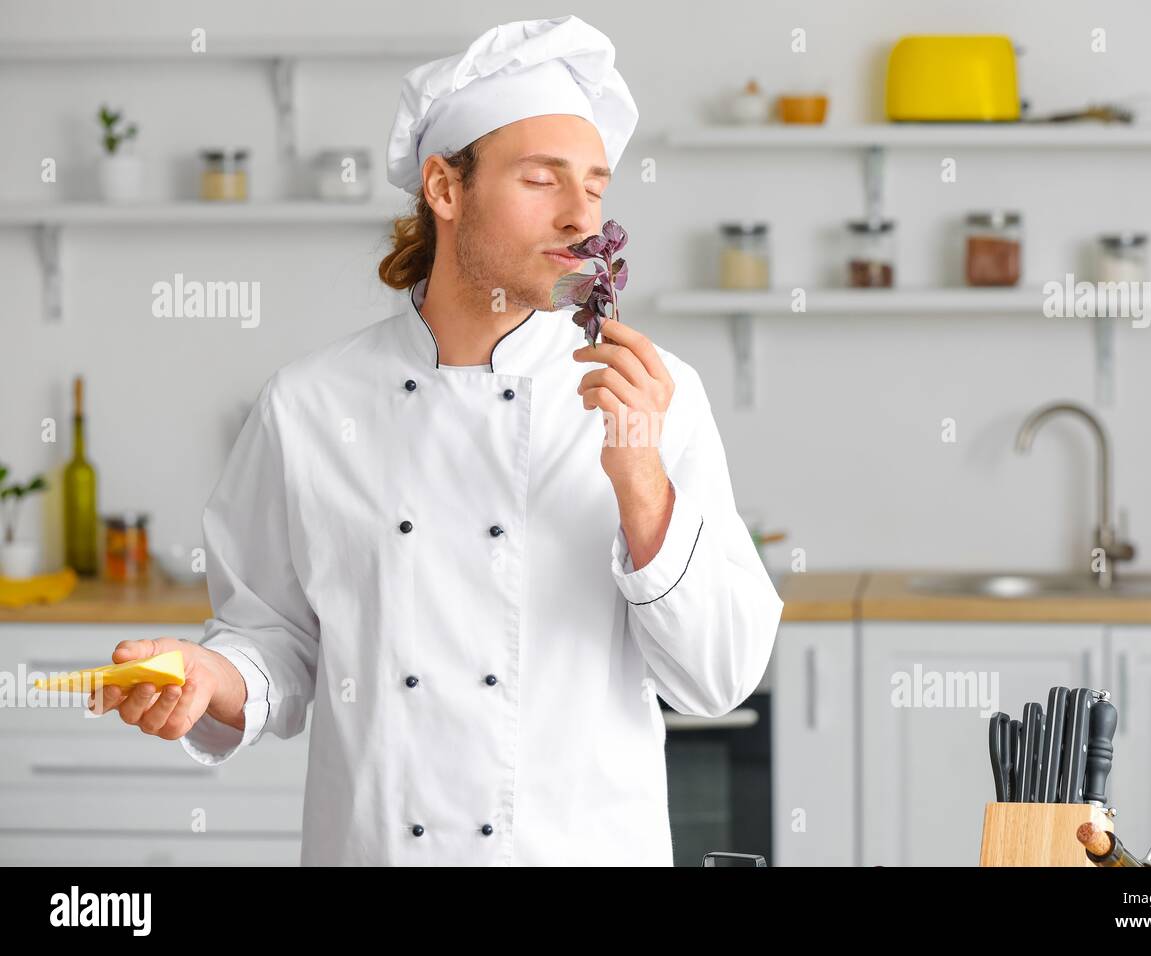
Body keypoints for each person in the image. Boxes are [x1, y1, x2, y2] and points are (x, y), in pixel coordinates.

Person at [92, 14, 784, 866]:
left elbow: (716, 679)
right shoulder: (310, 404)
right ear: (444, 190)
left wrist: (639, 476)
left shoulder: (650, 397)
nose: (580, 216)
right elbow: (277, 639)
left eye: (596, 187)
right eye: (542, 179)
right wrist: (210, 680)